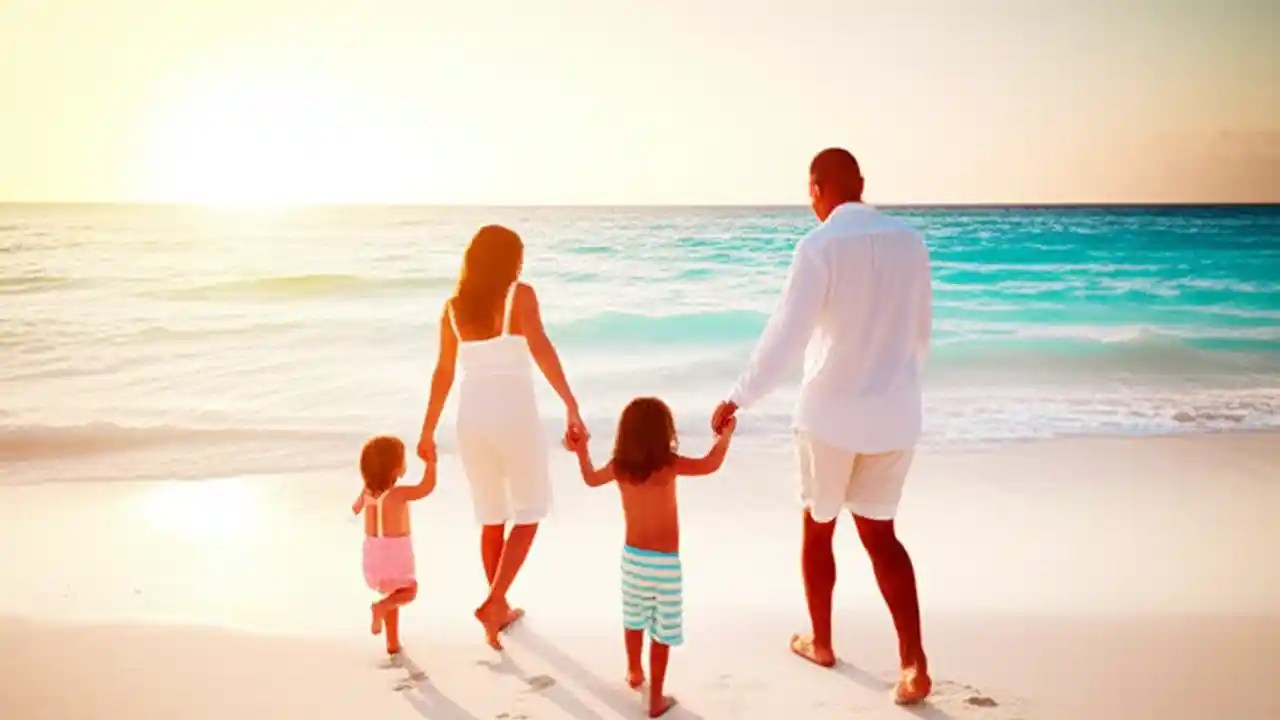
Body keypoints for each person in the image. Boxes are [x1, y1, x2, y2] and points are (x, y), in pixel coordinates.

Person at [711, 148, 934, 704]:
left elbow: (786, 338)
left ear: (815, 189)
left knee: (819, 526)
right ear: (861, 183)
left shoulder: (818, 247)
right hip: (895, 414)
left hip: (830, 416)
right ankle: (913, 663)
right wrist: (901, 390)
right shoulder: (911, 242)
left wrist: (739, 397)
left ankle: (822, 641)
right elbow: (921, 330)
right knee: (881, 536)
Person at [418, 224, 588, 650]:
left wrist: (427, 429)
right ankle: (495, 601)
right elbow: (542, 348)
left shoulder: (453, 308)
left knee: (492, 517)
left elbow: (443, 373)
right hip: (514, 416)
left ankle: (499, 609)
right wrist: (570, 402)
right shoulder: (520, 295)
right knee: (530, 512)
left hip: (471, 420)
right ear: (509, 259)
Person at [568, 397, 736, 718]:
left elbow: (590, 479)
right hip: (666, 565)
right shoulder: (669, 465)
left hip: (633, 561)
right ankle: (656, 698)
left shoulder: (620, 467)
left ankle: (634, 671)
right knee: (662, 630)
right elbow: (710, 464)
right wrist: (723, 439)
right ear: (665, 432)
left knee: (634, 618)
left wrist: (581, 451)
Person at [353, 435, 436, 656]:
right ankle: (380, 609)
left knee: (392, 596)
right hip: (395, 553)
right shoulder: (398, 494)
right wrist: (431, 463)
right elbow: (426, 488)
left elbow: (356, 508)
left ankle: (392, 643)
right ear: (395, 469)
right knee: (408, 591)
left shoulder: (368, 493)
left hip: (372, 554)